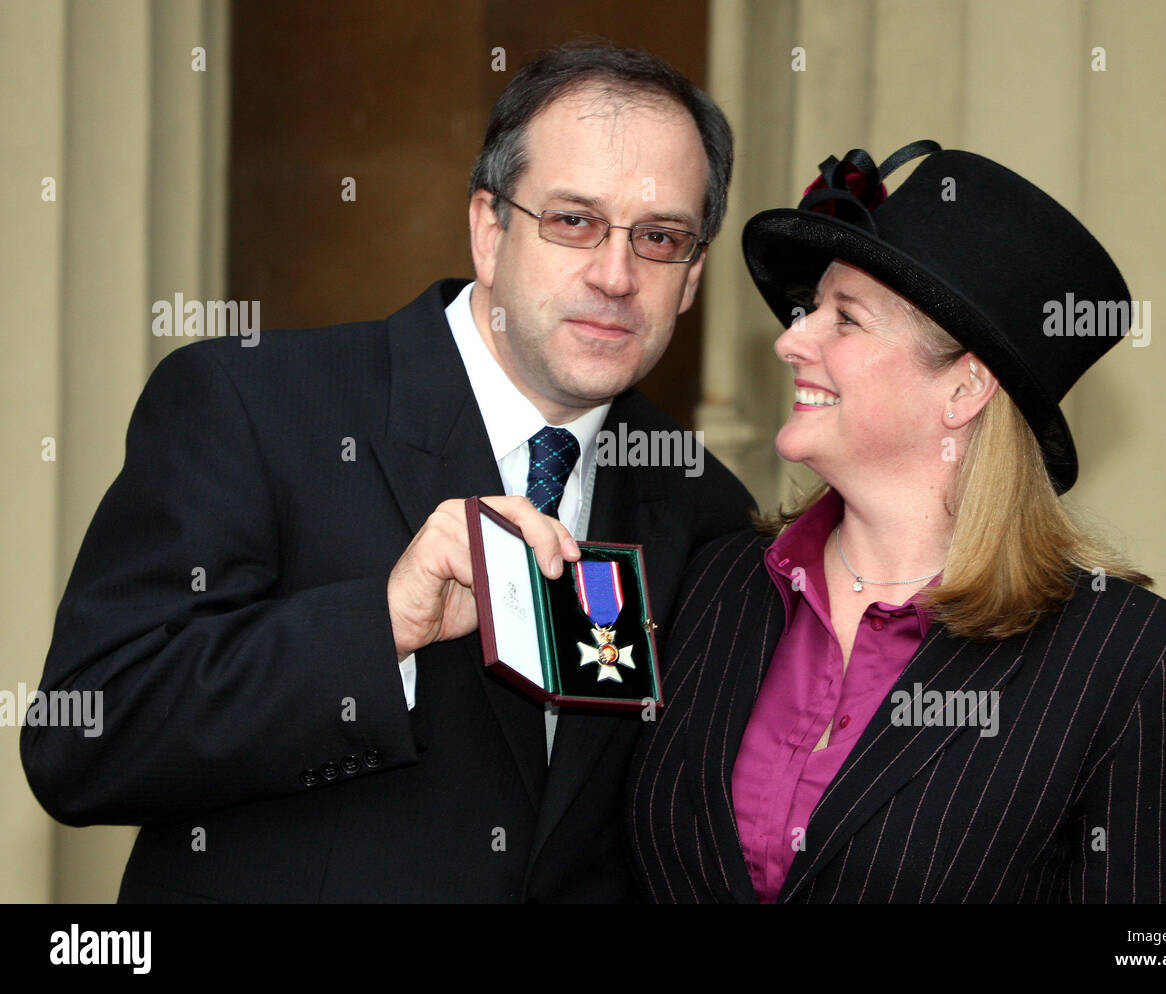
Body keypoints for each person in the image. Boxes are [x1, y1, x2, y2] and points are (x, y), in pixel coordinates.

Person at [21, 41, 753, 903]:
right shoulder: (252, 403)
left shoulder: (705, 507)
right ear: (490, 229)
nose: (616, 274)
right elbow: (84, 742)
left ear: (694, 275)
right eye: (574, 221)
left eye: (660, 237)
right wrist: (378, 629)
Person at [626, 141, 1166, 903]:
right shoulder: (717, 584)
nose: (790, 340)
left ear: (966, 387)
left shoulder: (1131, 666)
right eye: (810, 309)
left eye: (844, 319)